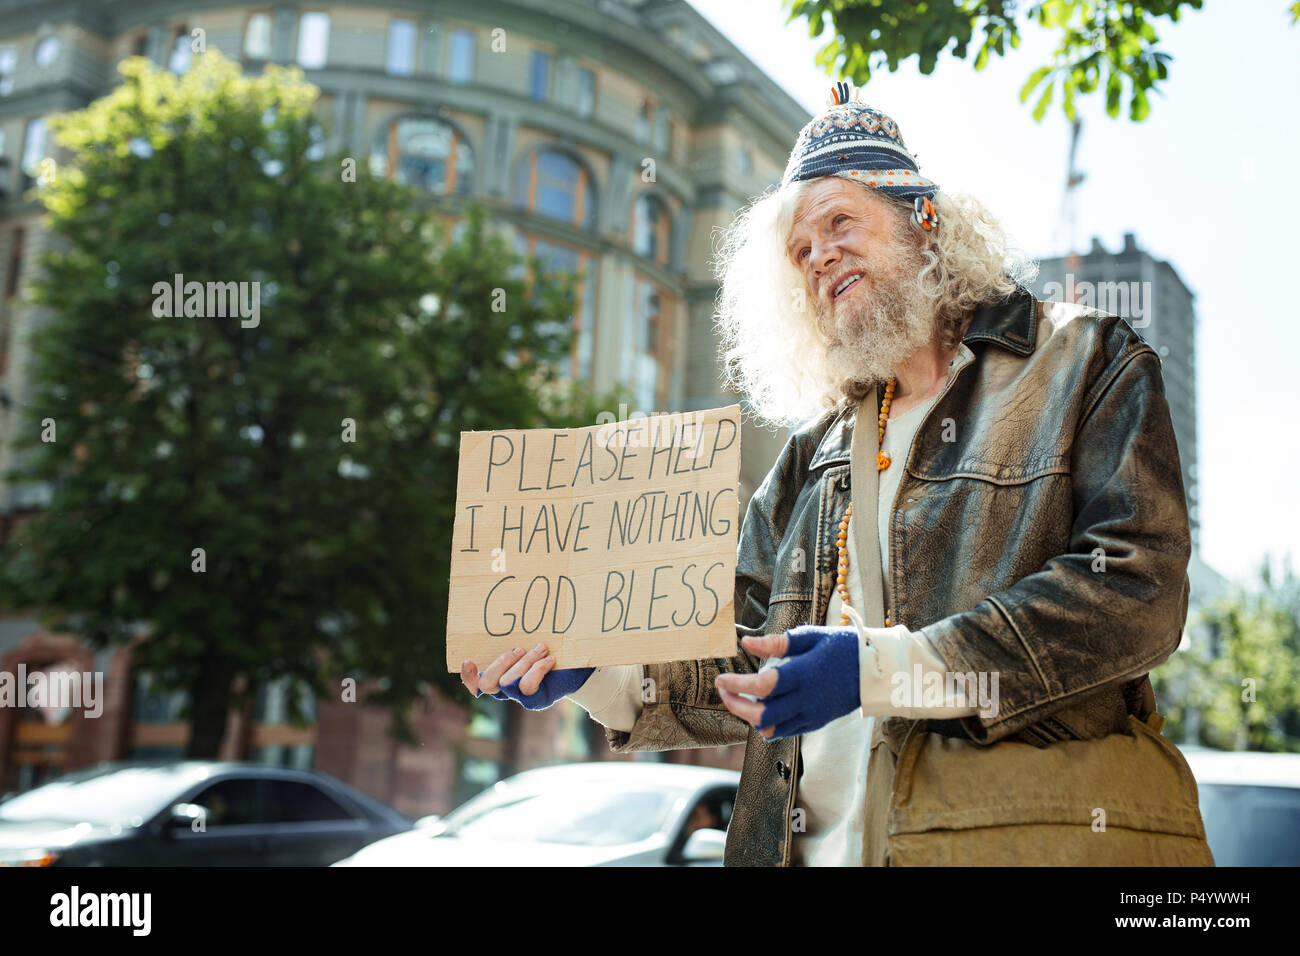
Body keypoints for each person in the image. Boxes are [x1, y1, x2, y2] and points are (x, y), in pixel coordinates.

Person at [460, 82, 1212, 867]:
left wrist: (878, 671)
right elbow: (733, 655)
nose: (820, 256)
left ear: (925, 218)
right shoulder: (808, 455)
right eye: (801, 251)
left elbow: (1137, 591)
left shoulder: (1085, 362)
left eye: (840, 221)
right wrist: (593, 670)